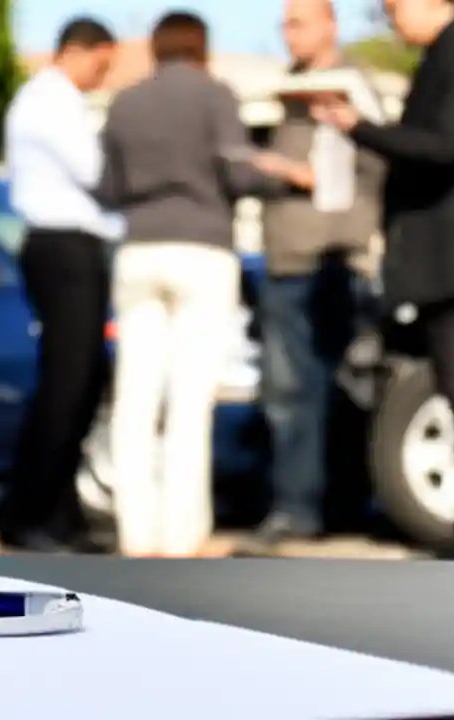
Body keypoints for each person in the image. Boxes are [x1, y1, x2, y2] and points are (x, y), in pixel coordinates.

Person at [312, 0, 454, 561]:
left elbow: (443, 144)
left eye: (393, 8)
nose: (391, 20)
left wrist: (359, 128)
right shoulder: (451, 54)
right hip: (451, 254)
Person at [96, 11, 314, 558]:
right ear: (201, 48)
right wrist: (282, 177)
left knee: (135, 398)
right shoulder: (215, 96)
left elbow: (107, 188)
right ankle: (182, 536)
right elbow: (237, 171)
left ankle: (135, 534)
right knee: (191, 400)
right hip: (201, 252)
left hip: (140, 250)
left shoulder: (125, 103)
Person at [235, 0, 388, 557]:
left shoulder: (351, 86)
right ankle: (297, 508)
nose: (288, 33)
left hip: (334, 261)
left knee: (334, 388)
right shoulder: (283, 91)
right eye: (283, 24)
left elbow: (377, 161)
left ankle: (322, 506)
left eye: (298, 22)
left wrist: (300, 174)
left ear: (330, 24)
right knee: (287, 390)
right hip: (285, 262)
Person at [0, 17, 122, 553]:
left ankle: (60, 514)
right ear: (76, 52)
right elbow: (98, 173)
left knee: (83, 381)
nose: (103, 74)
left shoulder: (53, 99)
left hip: (74, 247)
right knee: (66, 384)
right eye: (101, 63)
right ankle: (27, 516)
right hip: (63, 248)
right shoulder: (51, 100)